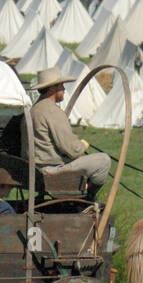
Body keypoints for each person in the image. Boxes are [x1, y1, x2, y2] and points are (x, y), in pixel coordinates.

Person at [29, 67, 110, 200]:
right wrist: (82, 145)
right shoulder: (51, 111)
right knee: (103, 160)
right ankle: (87, 199)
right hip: (51, 171)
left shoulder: (35, 109)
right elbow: (72, 150)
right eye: (61, 85)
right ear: (52, 89)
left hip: (36, 169)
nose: (64, 89)